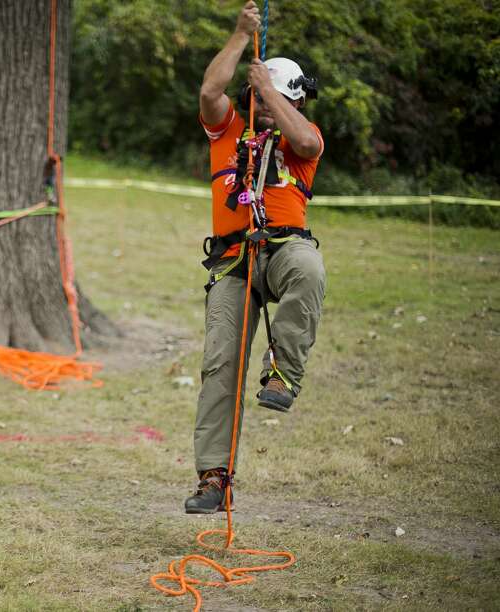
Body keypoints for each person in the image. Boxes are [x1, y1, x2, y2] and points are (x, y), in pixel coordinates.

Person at [185, 0, 326, 513]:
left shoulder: (303, 139)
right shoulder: (226, 129)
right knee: (219, 363)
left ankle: (283, 372)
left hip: (284, 248)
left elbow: (305, 139)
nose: (263, 107)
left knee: (309, 270)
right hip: (232, 261)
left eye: (274, 100)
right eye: (259, 99)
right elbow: (208, 91)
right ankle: (214, 477)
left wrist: (271, 91)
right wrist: (243, 35)